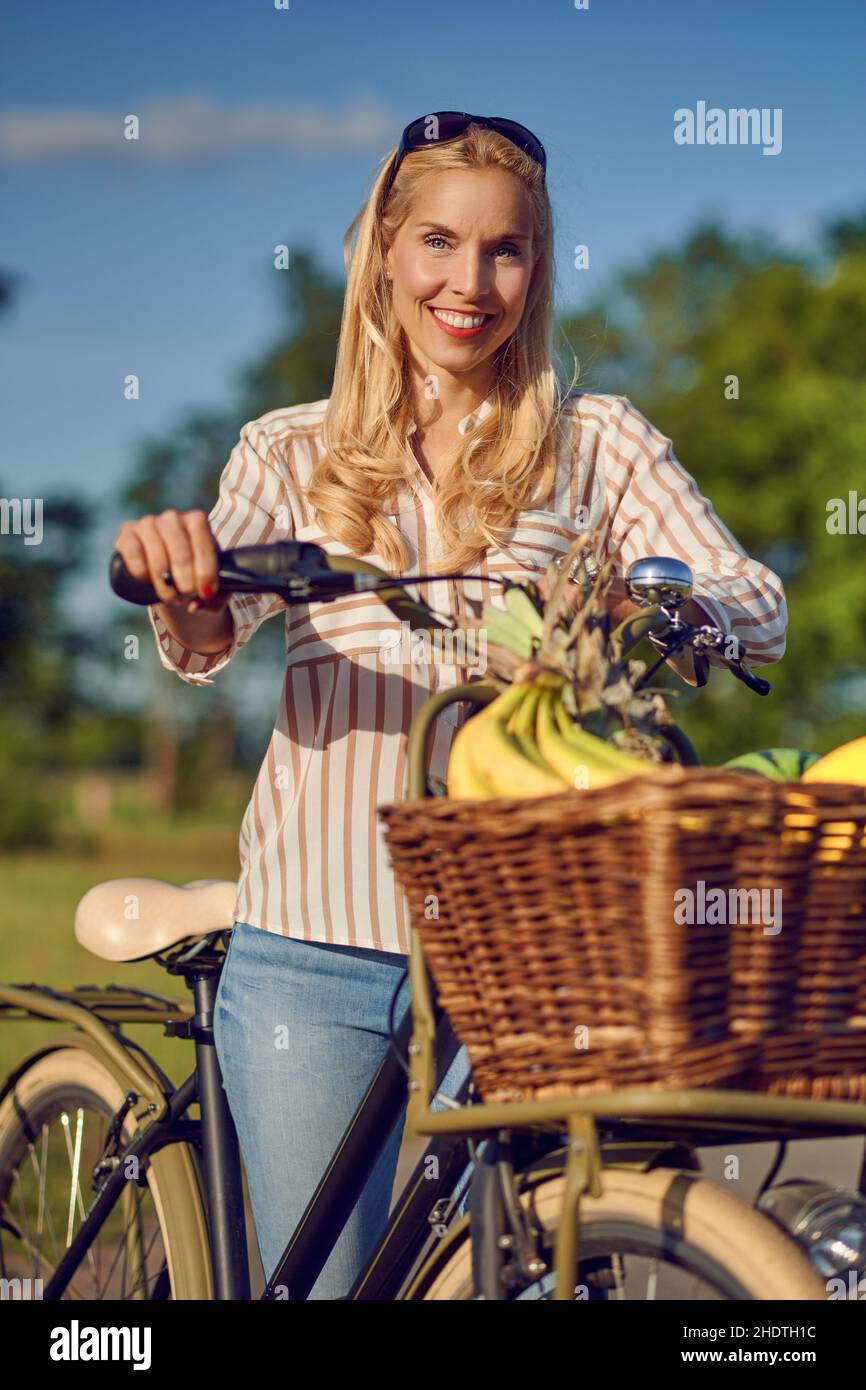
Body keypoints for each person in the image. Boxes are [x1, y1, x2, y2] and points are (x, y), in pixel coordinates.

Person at [112, 112, 788, 1298]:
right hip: (315, 957)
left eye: (506, 250)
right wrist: (183, 577)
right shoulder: (288, 453)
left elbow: (754, 601)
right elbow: (209, 638)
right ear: (382, 250)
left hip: (523, 957)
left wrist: (666, 598)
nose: (469, 283)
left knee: (528, 1269)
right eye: (437, 241)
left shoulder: (597, 448)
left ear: (537, 264)